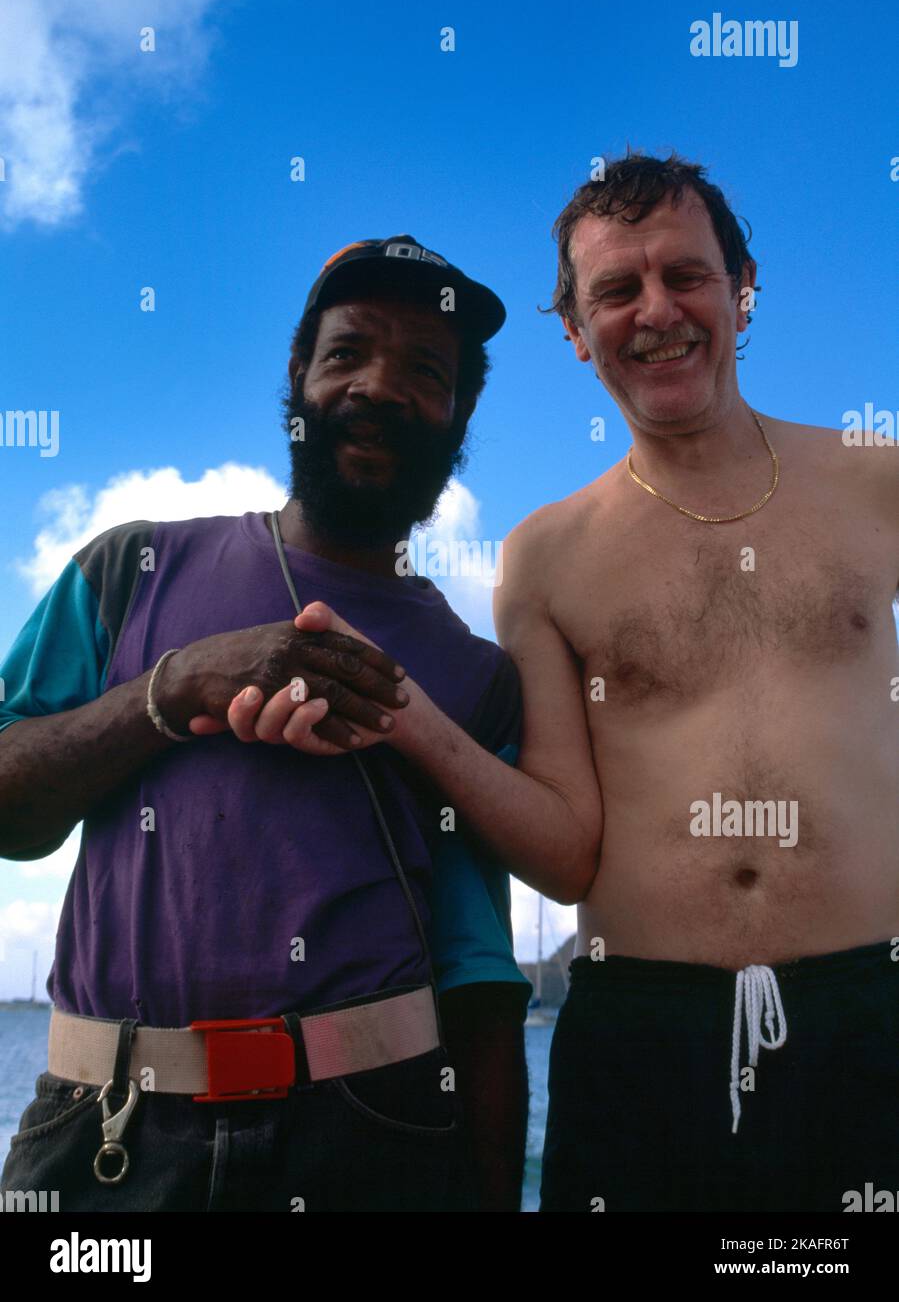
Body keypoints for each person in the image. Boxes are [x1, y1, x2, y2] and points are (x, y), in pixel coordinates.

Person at [270, 156, 898, 1213]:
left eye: (685, 276)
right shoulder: (544, 554)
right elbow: (564, 852)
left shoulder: (875, 480)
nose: (655, 312)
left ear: (740, 287)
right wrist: (403, 714)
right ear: (573, 327)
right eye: (614, 290)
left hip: (869, 1008)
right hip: (637, 1031)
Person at [0, 234, 534, 1213]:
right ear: (296, 377)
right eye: (345, 354)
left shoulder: (476, 677)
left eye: (426, 369)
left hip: (379, 1137)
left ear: (459, 416)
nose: (378, 386)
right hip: (101, 1136)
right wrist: (177, 688)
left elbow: (480, 984)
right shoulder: (127, 568)